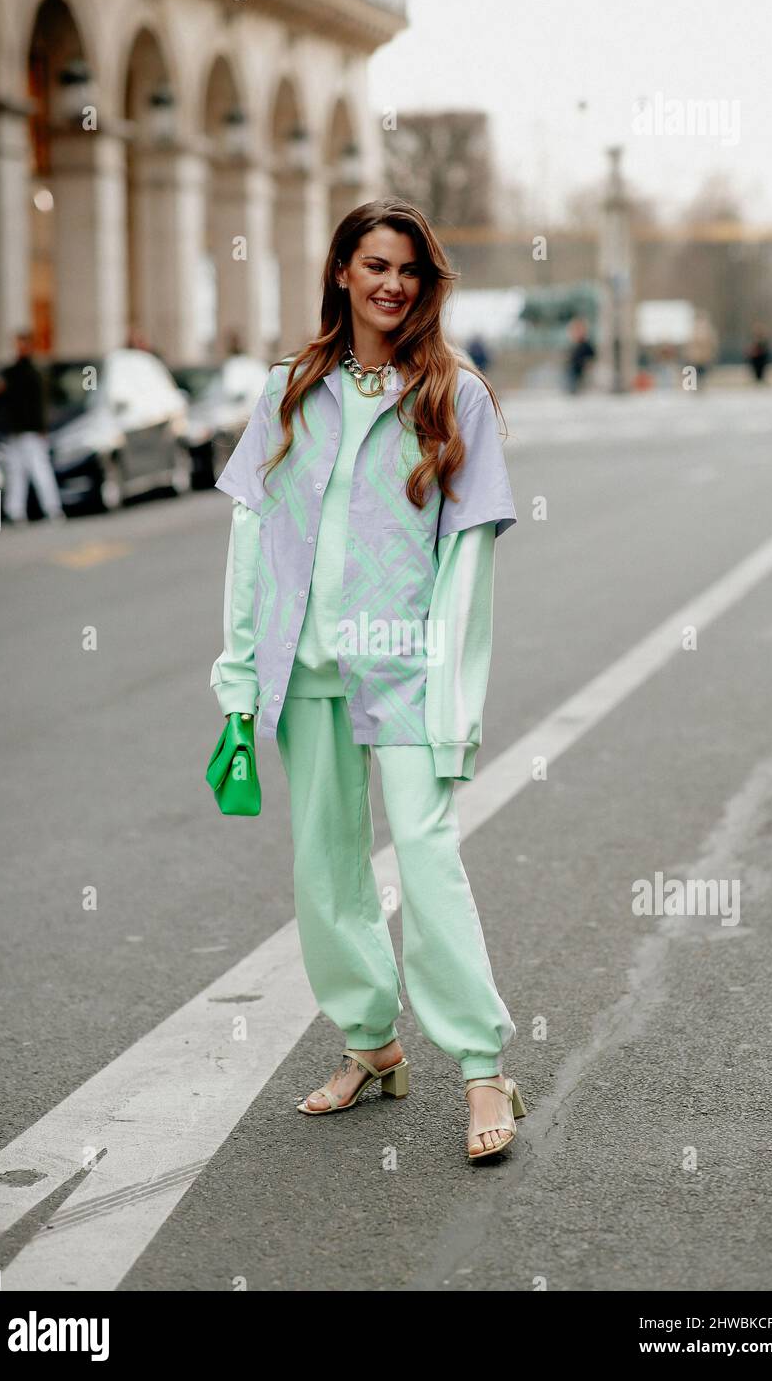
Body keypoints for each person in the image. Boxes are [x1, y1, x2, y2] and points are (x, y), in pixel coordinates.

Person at [209, 197, 526, 1162]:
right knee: (326, 867)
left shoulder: (453, 395)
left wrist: (456, 707)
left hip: (407, 672)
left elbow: (468, 564)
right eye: (375, 265)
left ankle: (482, 1068)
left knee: (427, 858)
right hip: (305, 669)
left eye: (410, 271)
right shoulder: (289, 390)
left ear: (426, 286)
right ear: (342, 270)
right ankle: (371, 1043)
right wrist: (236, 684)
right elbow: (251, 538)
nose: (392, 284)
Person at [0, 332, 64, 524]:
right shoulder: (12, 372)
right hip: (15, 430)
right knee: (16, 471)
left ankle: (52, 508)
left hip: (31, 431)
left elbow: (39, 404)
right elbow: (1, 401)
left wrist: (41, 428)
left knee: (39, 469)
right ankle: (15, 511)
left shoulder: (33, 372)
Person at [565, 316, 596, 394]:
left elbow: (591, 358)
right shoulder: (573, 346)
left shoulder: (586, 345)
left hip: (581, 373)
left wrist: (587, 365)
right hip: (573, 372)